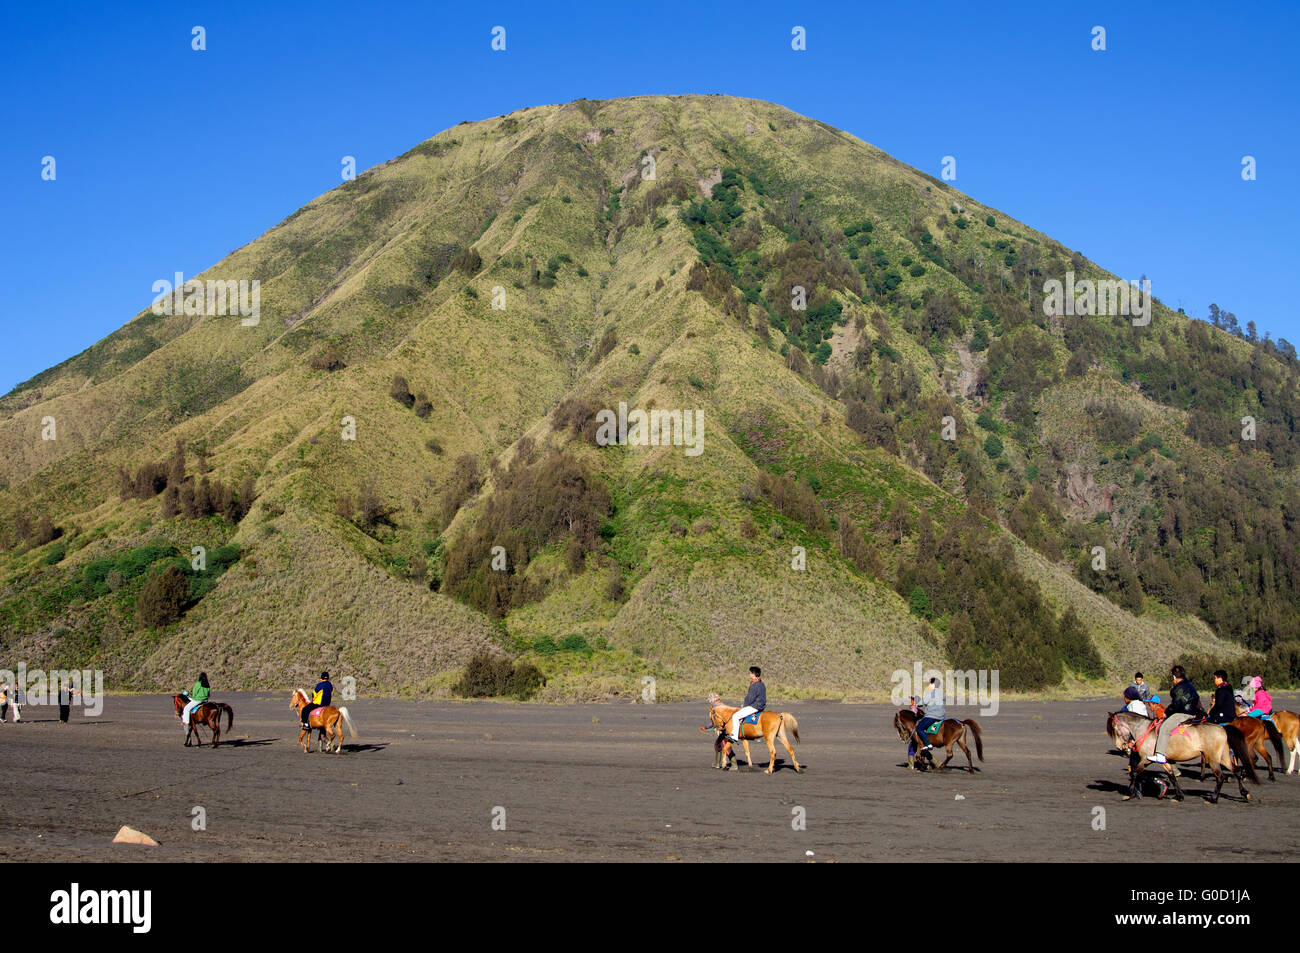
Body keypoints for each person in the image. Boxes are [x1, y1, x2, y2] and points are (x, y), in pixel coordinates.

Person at [1150, 665, 1203, 764]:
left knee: (1164, 728)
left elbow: (1177, 704)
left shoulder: (1179, 688)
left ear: (1174, 677)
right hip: (1192, 711)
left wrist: (1167, 712)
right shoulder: (1189, 685)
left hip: (1184, 713)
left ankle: (1160, 754)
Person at [728, 667, 765, 743]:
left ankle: (734, 736)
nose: (749, 674)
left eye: (750, 673)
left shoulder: (754, 685)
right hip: (761, 705)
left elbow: (750, 698)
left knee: (735, 716)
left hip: (755, 706)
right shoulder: (761, 684)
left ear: (754, 674)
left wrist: (744, 705)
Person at [914, 677, 946, 754]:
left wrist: (917, 703)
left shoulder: (930, 693)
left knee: (919, 728)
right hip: (941, 716)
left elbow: (922, 703)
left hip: (931, 716)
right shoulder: (941, 693)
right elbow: (944, 698)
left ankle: (928, 744)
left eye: (930, 684)